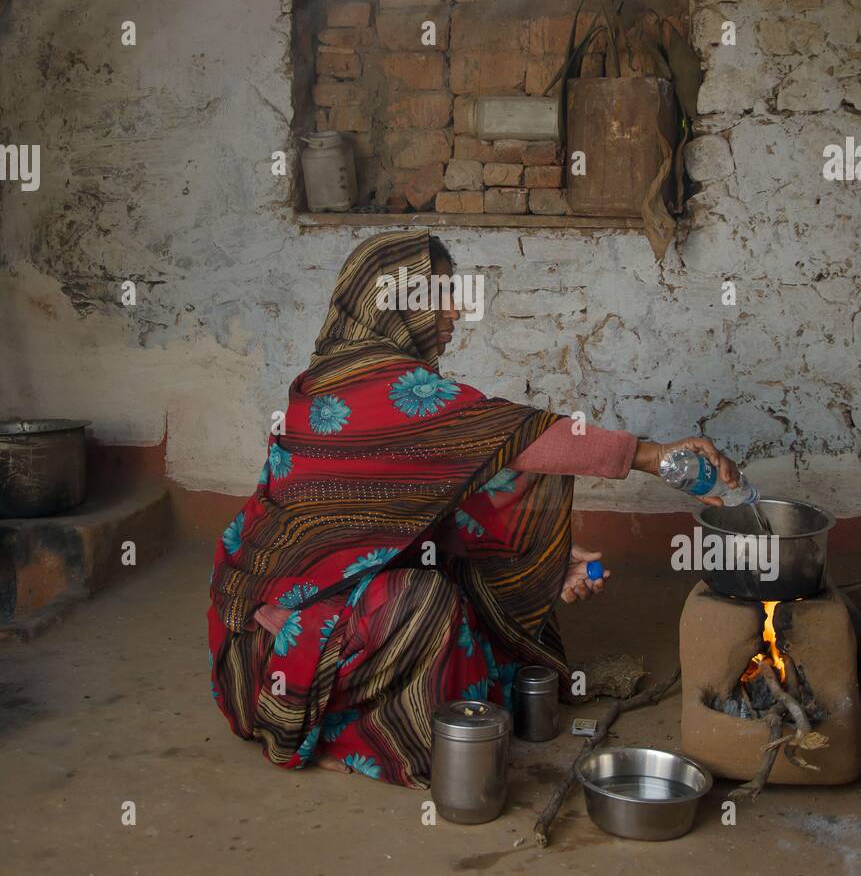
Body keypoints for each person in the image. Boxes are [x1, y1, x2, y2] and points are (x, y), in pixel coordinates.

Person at [208, 230, 739, 787]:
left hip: (337, 588)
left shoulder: (346, 379)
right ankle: (370, 731)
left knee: (479, 575)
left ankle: (429, 700)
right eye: (440, 293)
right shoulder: (372, 388)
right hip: (281, 631)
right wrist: (655, 457)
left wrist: (541, 557)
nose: (456, 310)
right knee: (425, 603)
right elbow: (517, 436)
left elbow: (427, 505)